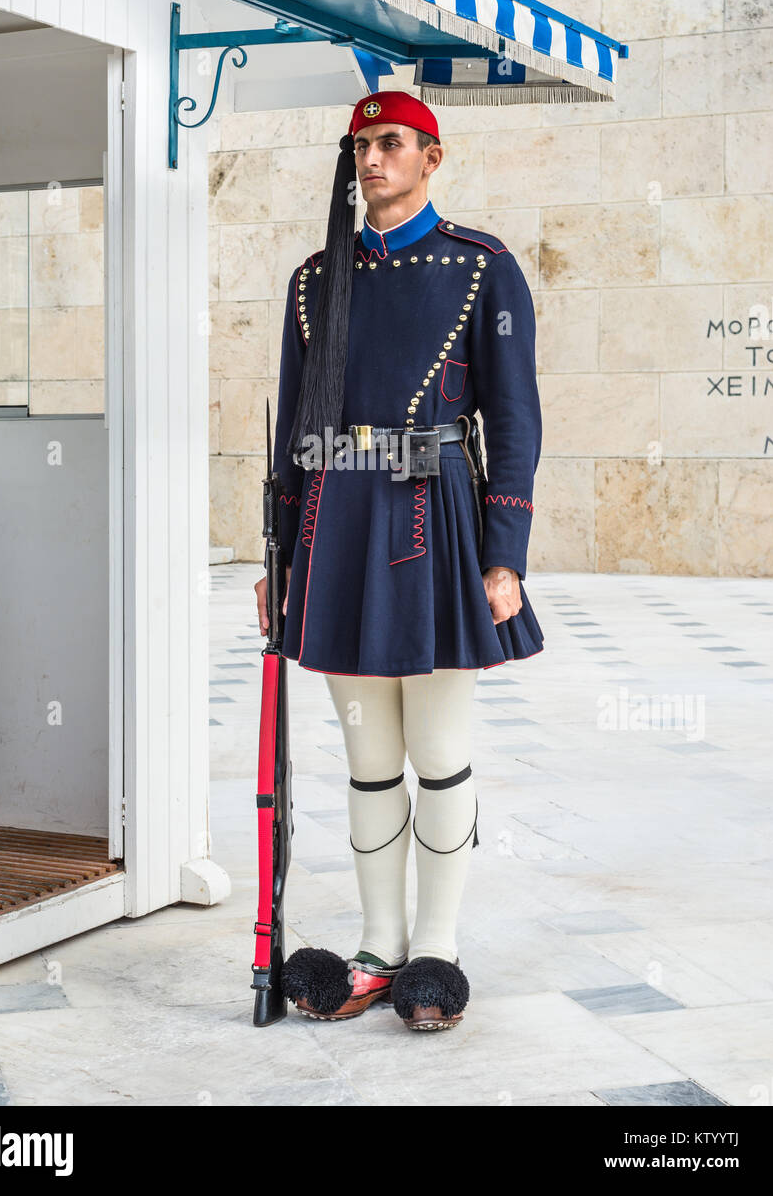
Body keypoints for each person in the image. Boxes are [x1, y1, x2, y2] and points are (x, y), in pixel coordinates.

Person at [254, 90, 543, 1030]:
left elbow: (513, 416)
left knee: (438, 748)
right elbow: (299, 428)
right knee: (367, 754)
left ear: (431, 158)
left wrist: (504, 553)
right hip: (337, 526)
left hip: (437, 522)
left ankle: (438, 950)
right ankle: (378, 946)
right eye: (361, 146)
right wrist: (283, 556)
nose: (372, 159)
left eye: (391, 144)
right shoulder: (313, 279)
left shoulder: (479, 268)